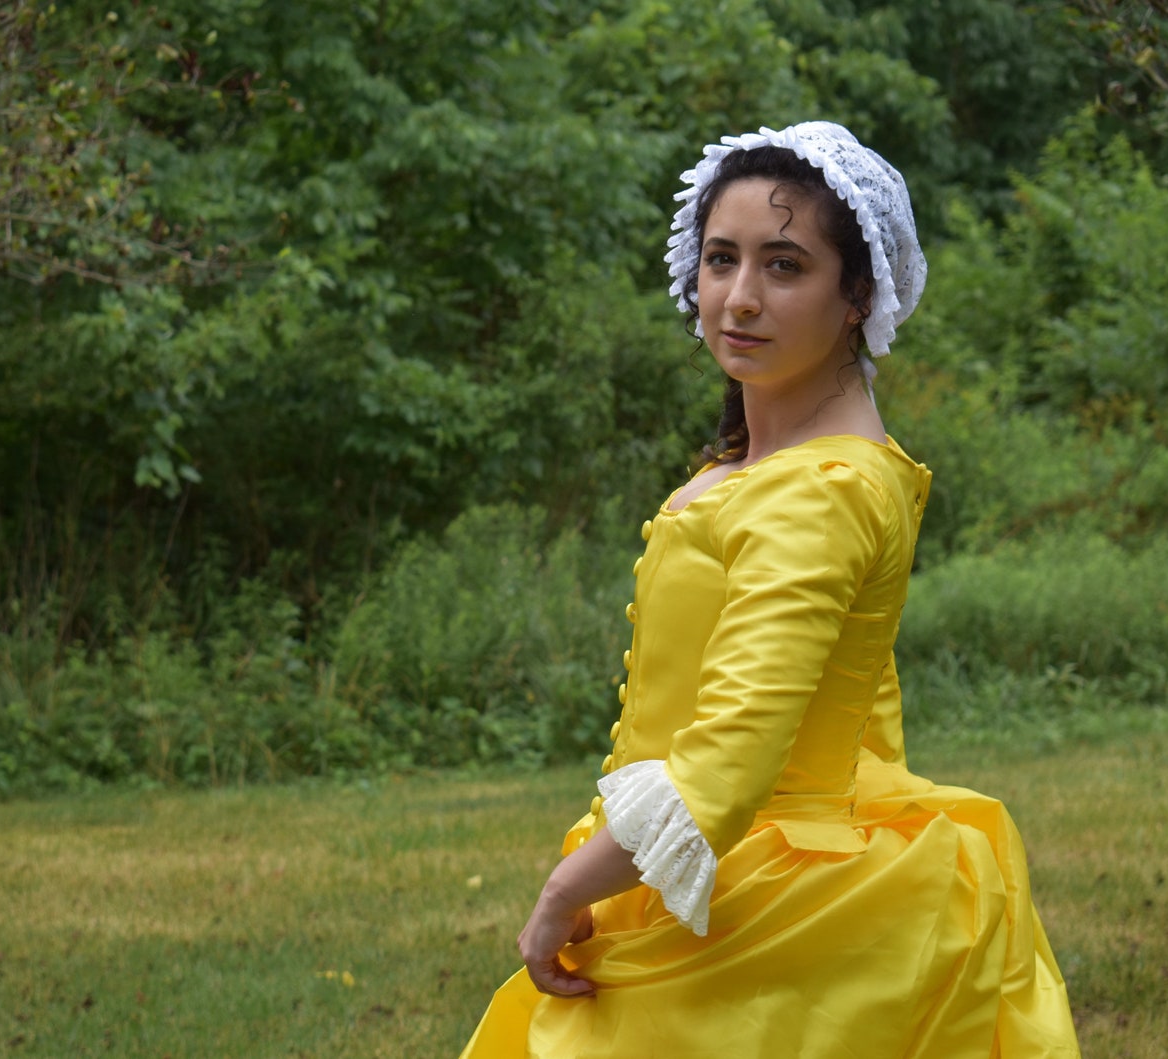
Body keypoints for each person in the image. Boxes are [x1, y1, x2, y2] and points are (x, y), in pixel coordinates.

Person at [459, 122, 1081, 1058]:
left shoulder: (824, 489)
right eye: (722, 259)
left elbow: (729, 762)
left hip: (768, 889)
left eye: (784, 265)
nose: (739, 298)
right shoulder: (790, 459)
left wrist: (563, 892)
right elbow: (859, 701)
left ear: (855, 294)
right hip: (730, 859)